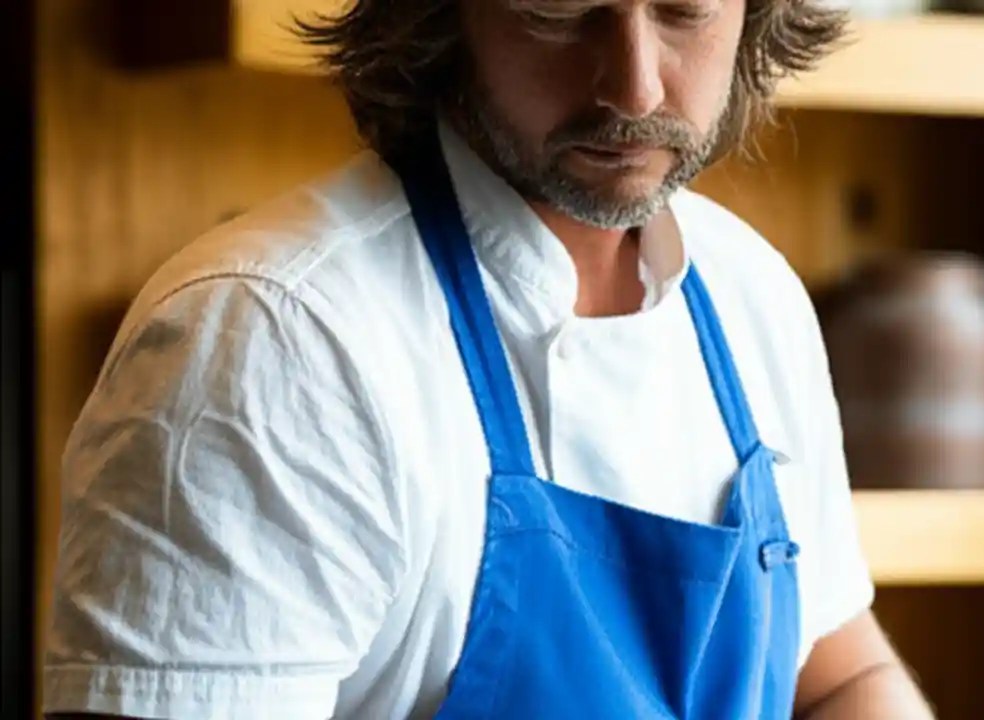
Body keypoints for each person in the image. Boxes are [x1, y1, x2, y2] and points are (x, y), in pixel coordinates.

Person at [43, 0, 935, 717]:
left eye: (684, 9)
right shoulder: (273, 342)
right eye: (558, 9)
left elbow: (839, 676)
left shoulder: (751, 296)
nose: (635, 84)